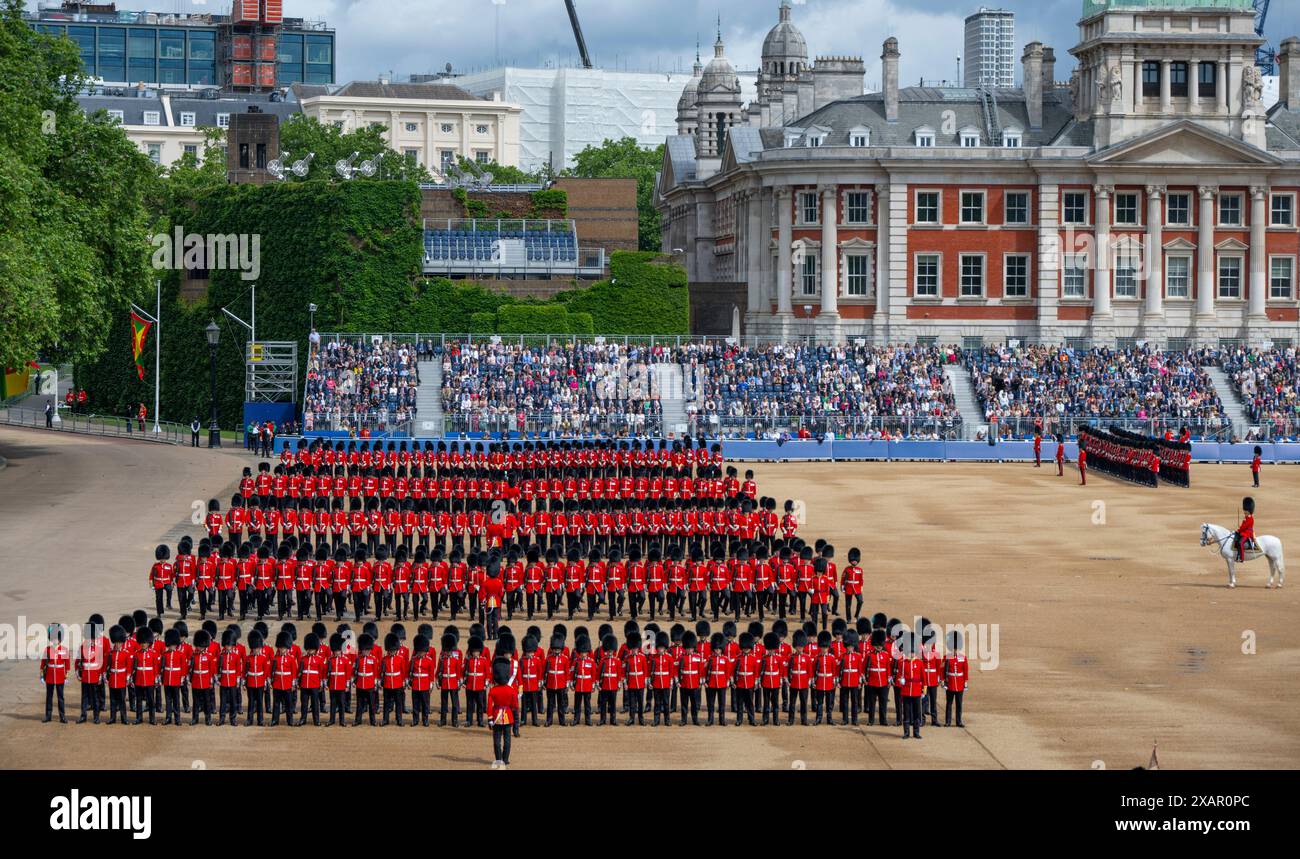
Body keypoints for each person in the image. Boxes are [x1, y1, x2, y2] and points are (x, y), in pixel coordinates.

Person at [487, 658, 519, 768]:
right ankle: (505, 759)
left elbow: (489, 706)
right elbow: (515, 706)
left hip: (496, 717)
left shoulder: (493, 690)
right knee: (507, 740)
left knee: (496, 740)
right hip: (508, 717)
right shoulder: (511, 690)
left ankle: (498, 759)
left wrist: (490, 719)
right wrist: (515, 719)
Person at [40, 625, 70, 723]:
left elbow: (67, 664)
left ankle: (62, 716)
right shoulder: (47, 649)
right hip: (50, 676)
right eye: (53, 638)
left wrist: (66, 676)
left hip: (60, 676)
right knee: (49, 697)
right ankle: (48, 715)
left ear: (60, 639)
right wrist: (41, 676)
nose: (55, 640)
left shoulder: (64, 649)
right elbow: (43, 663)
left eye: (56, 638)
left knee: (60, 697)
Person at [943, 631, 969, 727]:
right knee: (949, 703)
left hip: (959, 683)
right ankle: (948, 721)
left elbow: (965, 670)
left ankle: (959, 721)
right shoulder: (946, 657)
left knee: (959, 704)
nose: (955, 650)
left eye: (956, 648)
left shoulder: (963, 657)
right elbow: (942, 669)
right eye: (953, 648)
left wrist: (965, 681)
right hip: (950, 683)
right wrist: (943, 680)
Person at [1236, 497, 1257, 563]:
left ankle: (1242, 558)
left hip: (1248, 533)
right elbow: (1242, 526)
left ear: (1249, 511)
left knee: (1240, 543)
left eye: (1246, 511)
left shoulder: (1250, 519)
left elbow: (1244, 526)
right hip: (1244, 532)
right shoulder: (1246, 517)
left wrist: (1239, 530)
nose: (1244, 512)